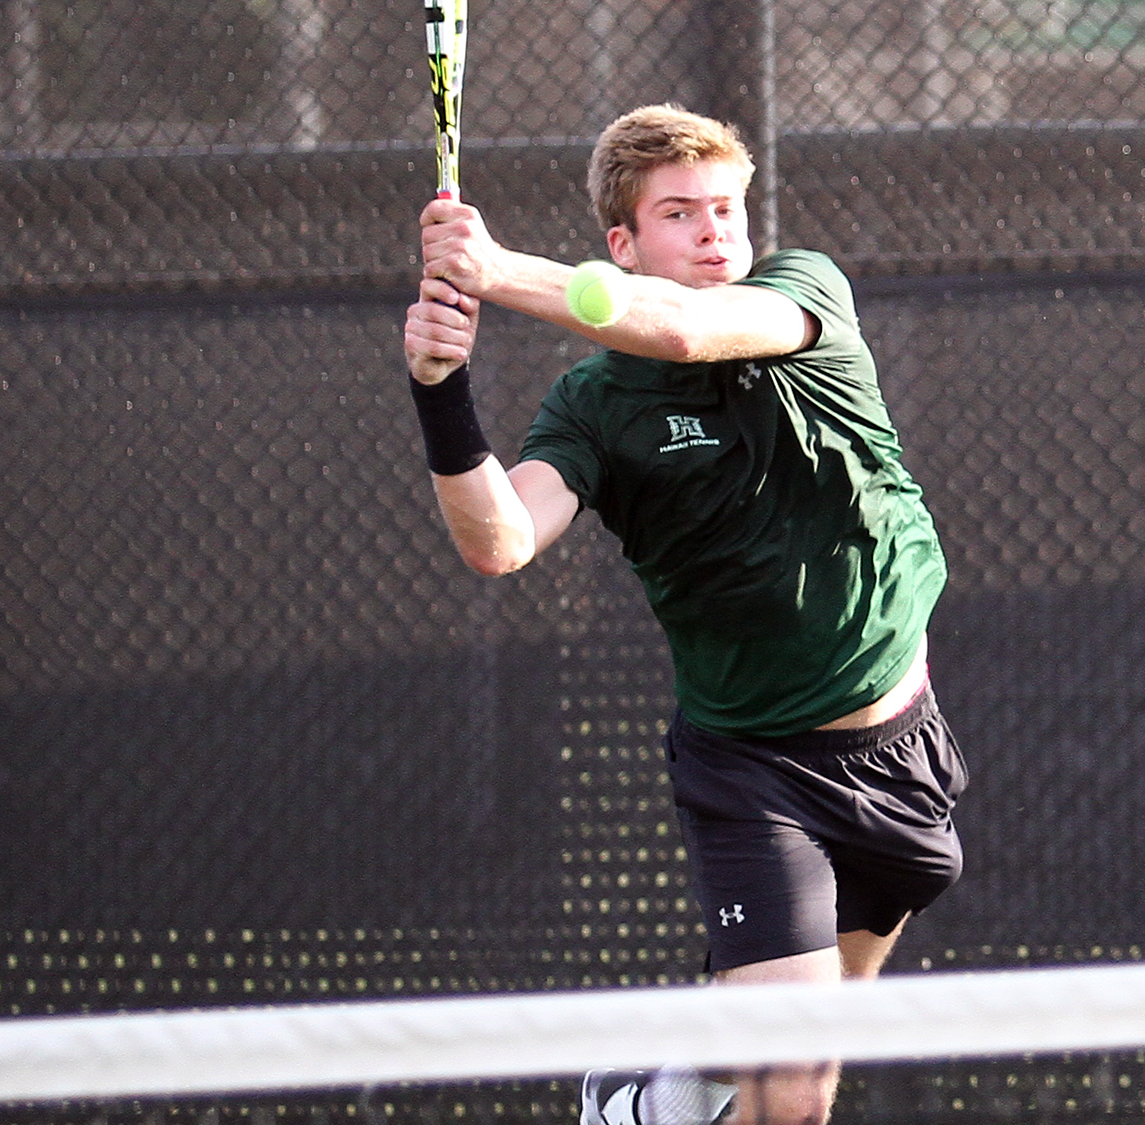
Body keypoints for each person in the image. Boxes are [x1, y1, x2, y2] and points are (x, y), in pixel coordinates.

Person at [402, 104, 967, 1125]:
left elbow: (681, 327)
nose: (715, 232)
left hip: (900, 751)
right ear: (621, 243)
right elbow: (498, 539)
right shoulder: (592, 407)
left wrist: (492, 269)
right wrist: (441, 392)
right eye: (679, 213)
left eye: (725, 209)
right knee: (793, 1096)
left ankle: (656, 1096)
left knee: (800, 1031)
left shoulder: (802, 294)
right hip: (754, 774)